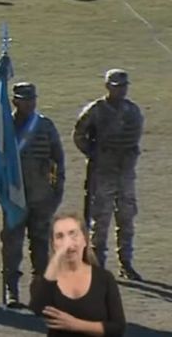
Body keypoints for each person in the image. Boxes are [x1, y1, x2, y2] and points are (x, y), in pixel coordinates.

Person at [0, 82, 65, 308]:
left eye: (32, 99)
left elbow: (58, 160)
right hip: (14, 197)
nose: (30, 103)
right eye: (25, 99)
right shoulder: (1, 126)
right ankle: (11, 290)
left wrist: (56, 192)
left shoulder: (44, 126)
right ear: (15, 102)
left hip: (41, 196)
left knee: (41, 246)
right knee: (12, 245)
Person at [73, 69, 144, 279]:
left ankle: (126, 262)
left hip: (125, 173)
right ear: (107, 87)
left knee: (126, 217)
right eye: (116, 86)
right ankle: (98, 264)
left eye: (123, 86)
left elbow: (134, 139)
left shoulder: (133, 111)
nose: (120, 90)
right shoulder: (96, 110)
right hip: (103, 171)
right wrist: (93, 154)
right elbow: (79, 134)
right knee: (101, 218)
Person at [29, 213, 126, 337]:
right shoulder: (45, 281)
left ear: (85, 240)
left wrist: (75, 324)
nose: (67, 243)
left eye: (73, 234)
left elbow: (117, 328)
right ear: (53, 244)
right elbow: (38, 308)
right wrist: (56, 258)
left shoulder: (104, 279)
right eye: (60, 237)